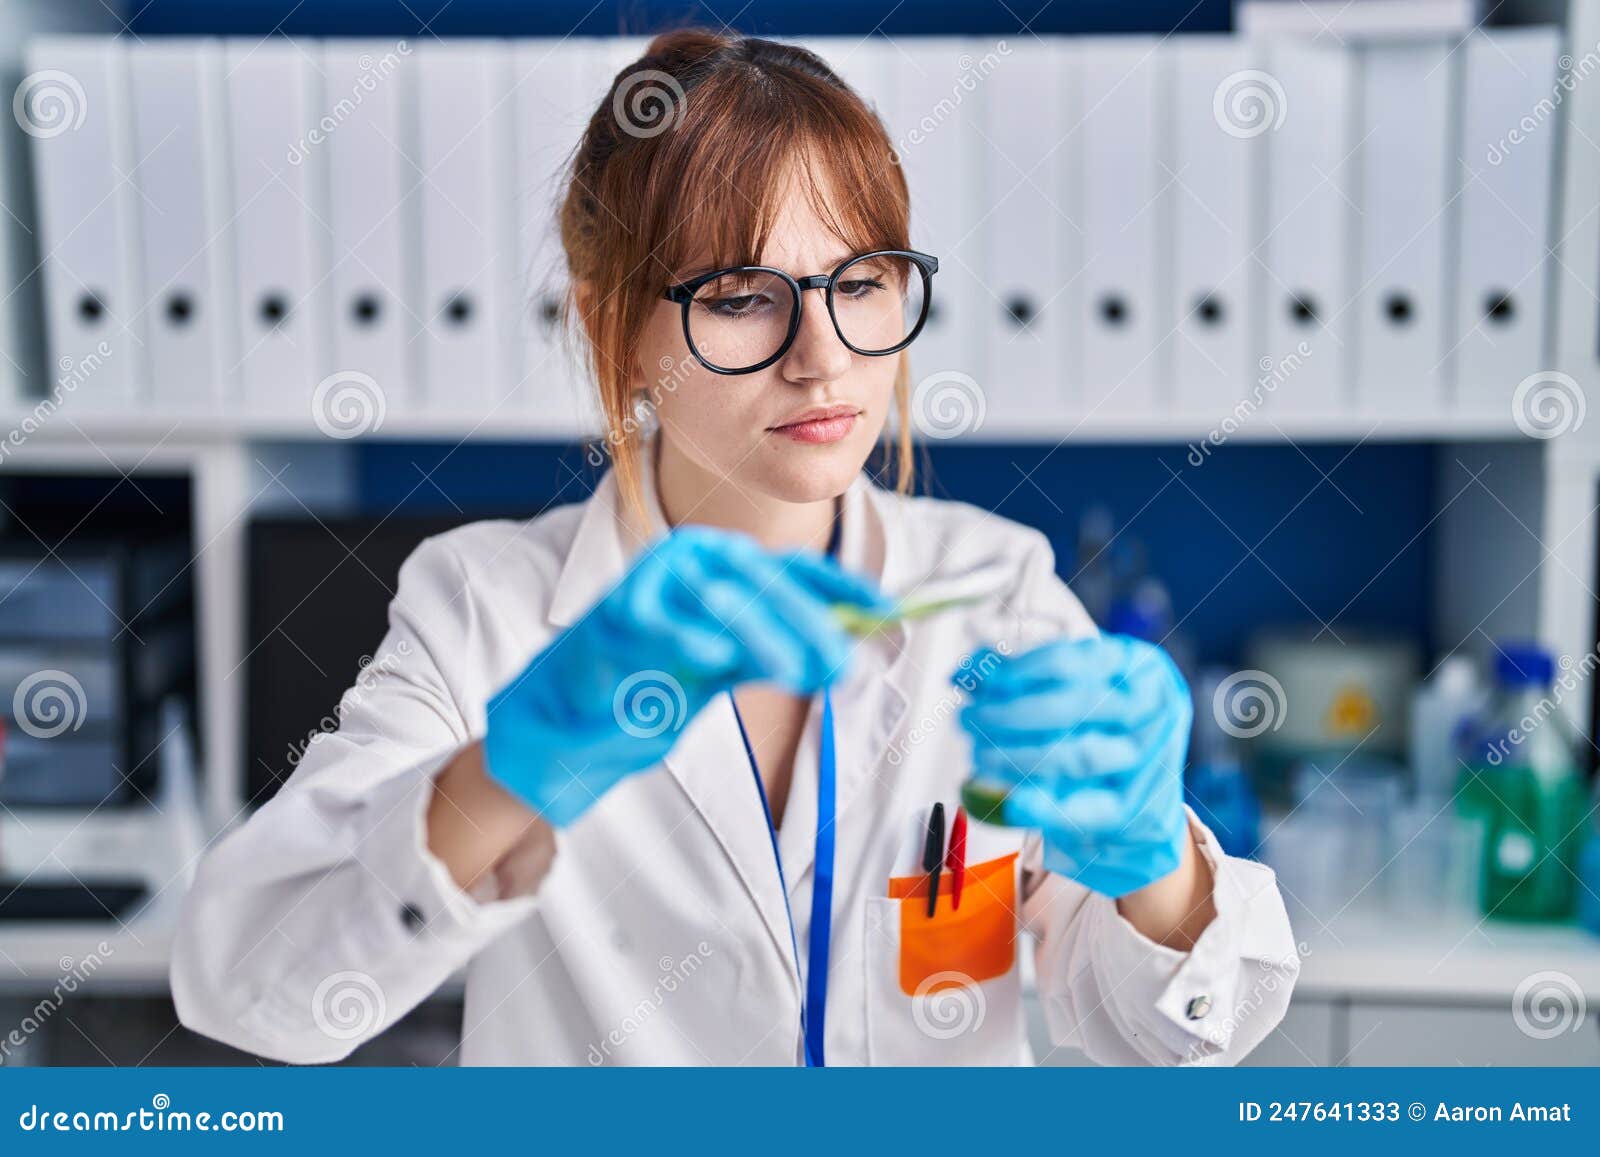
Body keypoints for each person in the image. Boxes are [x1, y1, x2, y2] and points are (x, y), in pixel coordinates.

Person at [171, 29, 1298, 1066]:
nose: (823, 357)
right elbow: (252, 987)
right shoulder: (487, 607)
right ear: (612, 325)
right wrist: (511, 766)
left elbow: (1187, 1037)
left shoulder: (993, 592)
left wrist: (1155, 857)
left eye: (861, 282)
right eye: (743, 296)